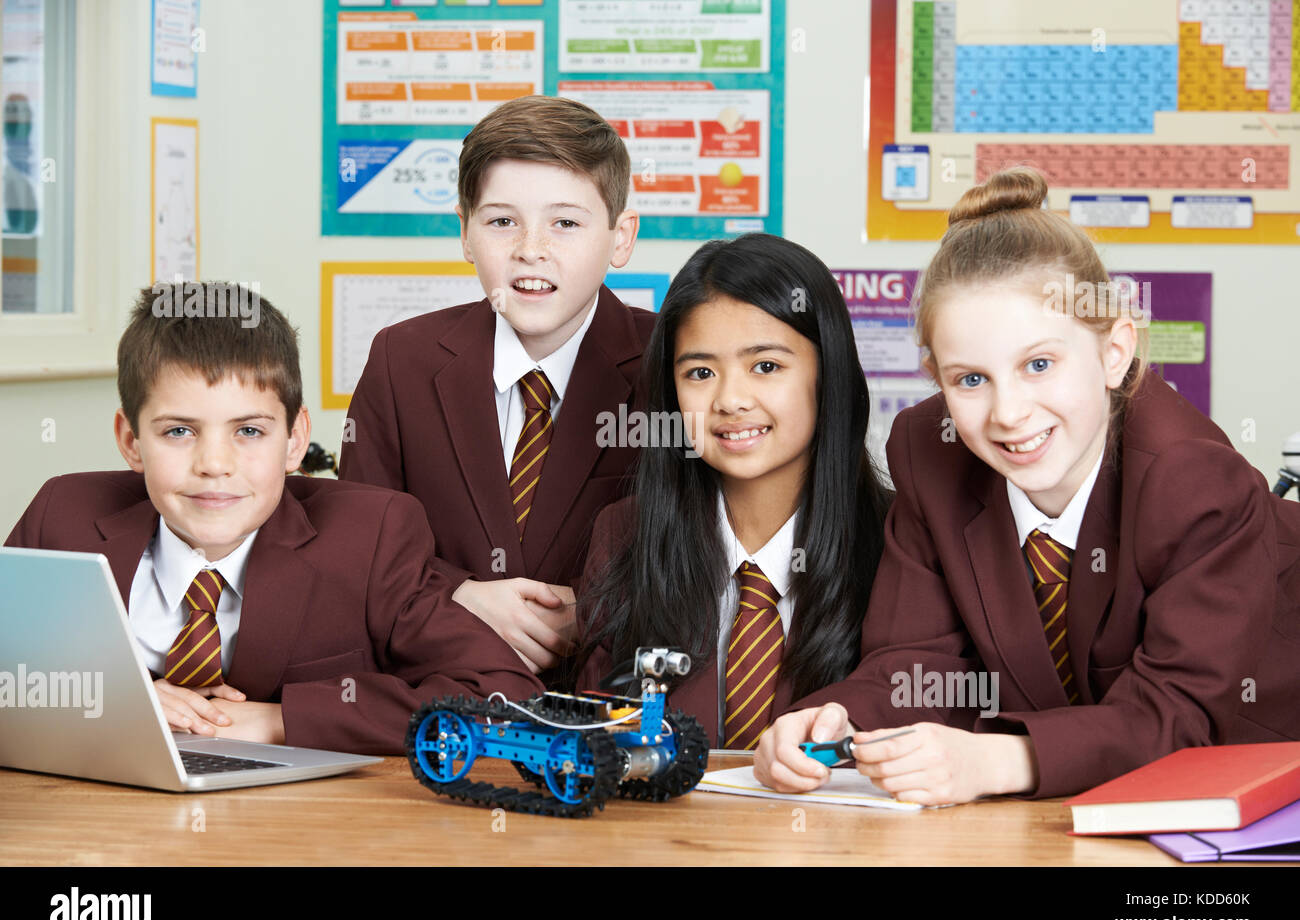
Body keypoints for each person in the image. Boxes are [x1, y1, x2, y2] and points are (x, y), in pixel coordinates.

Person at [755, 167, 1300, 803]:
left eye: (1039, 364)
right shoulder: (929, 449)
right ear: (936, 376)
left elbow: (1178, 717)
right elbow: (917, 661)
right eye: (969, 380)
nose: (1009, 412)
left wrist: (994, 764)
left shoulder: (1195, 479)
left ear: (1114, 352)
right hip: (1069, 802)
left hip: (1245, 779)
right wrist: (842, 720)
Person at [5, 282, 543, 754]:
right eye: (178, 431)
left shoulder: (369, 537)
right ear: (131, 440)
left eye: (249, 431)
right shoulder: (65, 518)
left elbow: (506, 694)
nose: (214, 465)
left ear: (295, 441)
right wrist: (110, 694)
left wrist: (281, 720)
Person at [340, 95, 653, 678]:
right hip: (441, 703)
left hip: (614, 710)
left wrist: (597, 610)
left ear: (620, 238)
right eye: (502, 221)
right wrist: (460, 594)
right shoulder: (400, 359)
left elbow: (715, 545)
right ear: (464, 233)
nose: (531, 249)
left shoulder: (674, 365)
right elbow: (357, 544)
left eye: (565, 222)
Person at [571, 233, 894, 748]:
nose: (730, 399)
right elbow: (600, 739)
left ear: (827, 373)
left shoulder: (900, 547)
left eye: (765, 366)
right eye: (700, 372)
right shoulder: (624, 536)